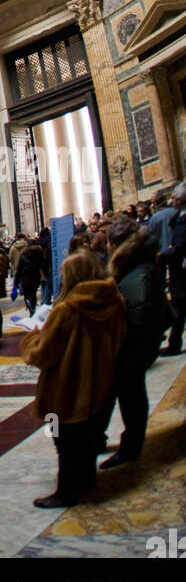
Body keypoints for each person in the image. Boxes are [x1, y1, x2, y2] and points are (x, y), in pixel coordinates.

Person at [21, 249, 126, 508]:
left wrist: (32, 337)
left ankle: (65, 492)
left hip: (63, 390)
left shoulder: (67, 310)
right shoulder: (113, 300)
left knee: (62, 442)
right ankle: (87, 478)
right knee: (89, 436)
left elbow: (42, 354)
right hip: (99, 383)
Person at [98, 219, 166, 469]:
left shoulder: (138, 272)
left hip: (134, 344)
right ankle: (105, 439)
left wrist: (128, 350)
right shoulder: (139, 261)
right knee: (126, 392)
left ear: (116, 244)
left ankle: (131, 446)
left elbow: (139, 313)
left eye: (108, 243)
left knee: (132, 395)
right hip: (136, 342)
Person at [160, 182, 186, 356]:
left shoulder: (183, 219)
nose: (172, 201)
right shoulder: (179, 216)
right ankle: (174, 343)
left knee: (179, 310)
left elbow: (181, 245)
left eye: (175, 198)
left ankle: (174, 344)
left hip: (182, 273)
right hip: (180, 274)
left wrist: (164, 254)